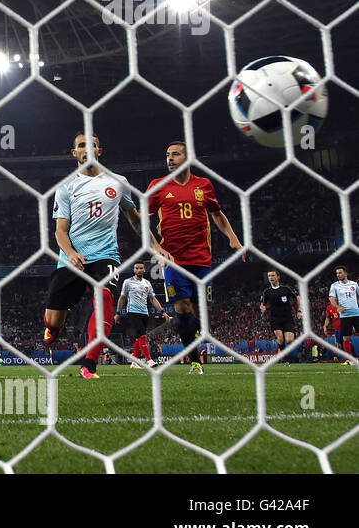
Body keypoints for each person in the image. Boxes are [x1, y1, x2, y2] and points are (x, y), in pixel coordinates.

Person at [41, 133, 145, 380]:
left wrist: (155, 245)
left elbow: (134, 218)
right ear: (74, 153)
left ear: (100, 151)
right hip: (72, 257)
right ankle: (53, 329)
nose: (87, 149)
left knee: (106, 298)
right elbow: (60, 231)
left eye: (92, 145)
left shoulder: (118, 182)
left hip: (106, 256)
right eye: (81, 145)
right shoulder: (65, 187)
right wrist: (71, 253)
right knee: (53, 319)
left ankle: (89, 364)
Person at [145, 141, 243, 375]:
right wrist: (156, 247)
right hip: (173, 259)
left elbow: (217, 214)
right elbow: (140, 218)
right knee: (181, 305)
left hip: (201, 258)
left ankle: (195, 340)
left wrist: (232, 237)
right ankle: (194, 361)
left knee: (200, 311)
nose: (170, 158)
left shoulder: (204, 185)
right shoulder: (158, 186)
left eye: (176, 154)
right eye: (167, 154)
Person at [115, 262, 165, 369]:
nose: (138, 270)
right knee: (142, 336)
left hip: (144, 313)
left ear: (144, 269)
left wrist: (162, 312)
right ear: (134, 270)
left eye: (141, 268)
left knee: (139, 338)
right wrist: (118, 313)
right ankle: (149, 360)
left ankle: (134, 362)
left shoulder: (147, 283)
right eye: (136, 268)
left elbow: (153, 299)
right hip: (132, 312)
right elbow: (122, 297)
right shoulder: (128, 282)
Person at [260, 270, 302, 366]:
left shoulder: (286, 289)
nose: (271, 277)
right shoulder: (267, 292)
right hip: (275, 319)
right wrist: (263, 308)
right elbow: (263, 304)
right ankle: (286, 360)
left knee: (289, 340)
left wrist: (299, 311)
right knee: (280, 339)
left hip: (287, 318)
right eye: (269, 276)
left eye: (273, 275)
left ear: (278, 277)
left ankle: (288, 356)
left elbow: (298, 298)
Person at [328, 266, 358, 366]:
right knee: (346, 338)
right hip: (345, 316)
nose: (338, 275)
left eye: (340, 273)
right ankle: (350, 360)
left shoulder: (354, 284)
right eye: (337, 273)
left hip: (357, 314)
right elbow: (332, 299)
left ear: (345, 274)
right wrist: (337, 307)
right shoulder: (334, 286)